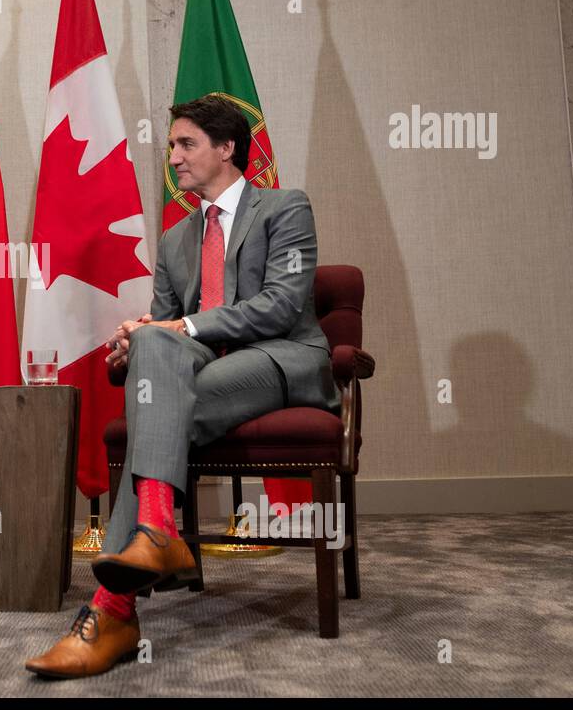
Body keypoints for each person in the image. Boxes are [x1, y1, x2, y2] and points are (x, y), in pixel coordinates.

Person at [25, 95, 339, 679]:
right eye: (171, 145)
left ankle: (116, 605)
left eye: (186, 144)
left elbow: (281, 306)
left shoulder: (285, 208)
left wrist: (176, 329)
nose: (174, 157)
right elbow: (167, 333)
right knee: (154, 352)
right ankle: (148, 547)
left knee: (160, 403)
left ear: (226, 149)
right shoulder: (174, 241)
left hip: (281, 362)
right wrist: (138, 341)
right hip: (199, 374)